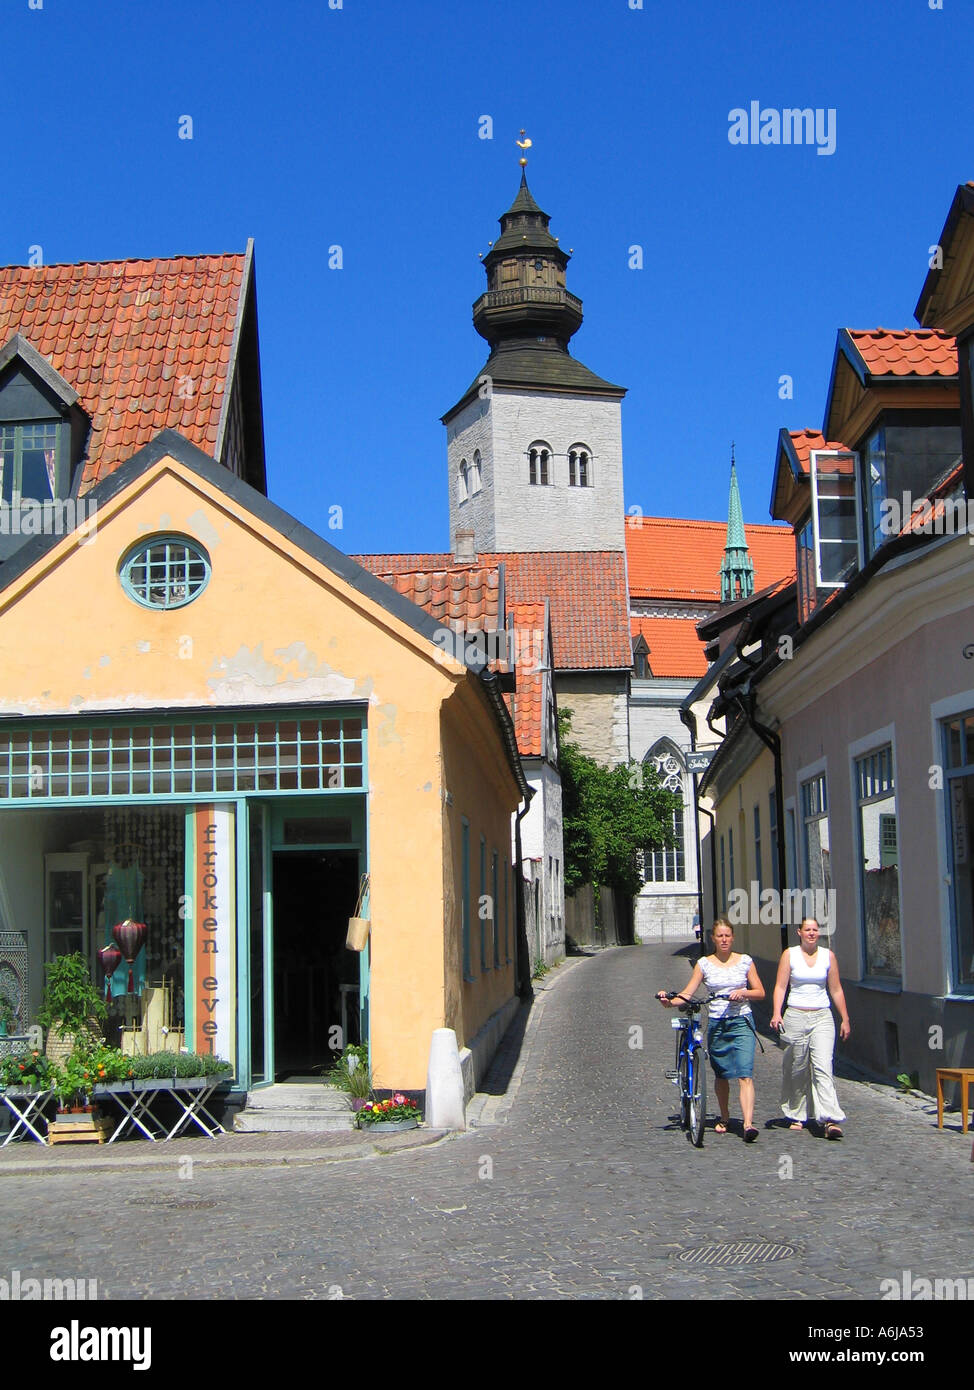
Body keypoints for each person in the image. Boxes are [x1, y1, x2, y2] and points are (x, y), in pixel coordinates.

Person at [657, 917, 765, 1141]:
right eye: (720, 936)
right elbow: (688, 993)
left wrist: (743, 993)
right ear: (713, 938)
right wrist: (669, 1001)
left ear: (733, 938)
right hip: (717, 1024)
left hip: (742, 1021)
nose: (724, 940)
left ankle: (747, 1124)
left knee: (745, 1073)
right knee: (722, 1074)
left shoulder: (745, 961)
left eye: (727, 936)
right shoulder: (704, 963)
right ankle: (724, 1117)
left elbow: (760, 992)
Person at [770, 917, 850, 1139]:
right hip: (795, 1015)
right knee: (796, 1068)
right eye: (808, 930)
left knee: (823, 1066)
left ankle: (829, 1119)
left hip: (822, 1017)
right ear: (800, 932)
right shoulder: (790, 955)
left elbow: (836, 990)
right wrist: (777, 1012)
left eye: (815, 930)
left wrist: (844, 1018)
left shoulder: (828, 956)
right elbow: (780, 986)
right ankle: (797, 1113)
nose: (812, 933)